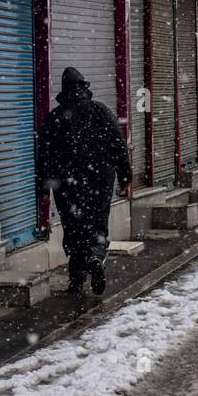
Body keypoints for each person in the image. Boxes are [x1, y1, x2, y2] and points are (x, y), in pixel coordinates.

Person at [38, 68, 132, 295]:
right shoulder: (100, 111)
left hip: (67, 183)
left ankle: (77, 281)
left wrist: (42, 188)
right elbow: (118, 145)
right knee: (97, 224)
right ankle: (96, 256)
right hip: (99, 178)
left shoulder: (56, 117)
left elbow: (43, 156)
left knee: (74, 227)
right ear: (84, 87)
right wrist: (125, 177)